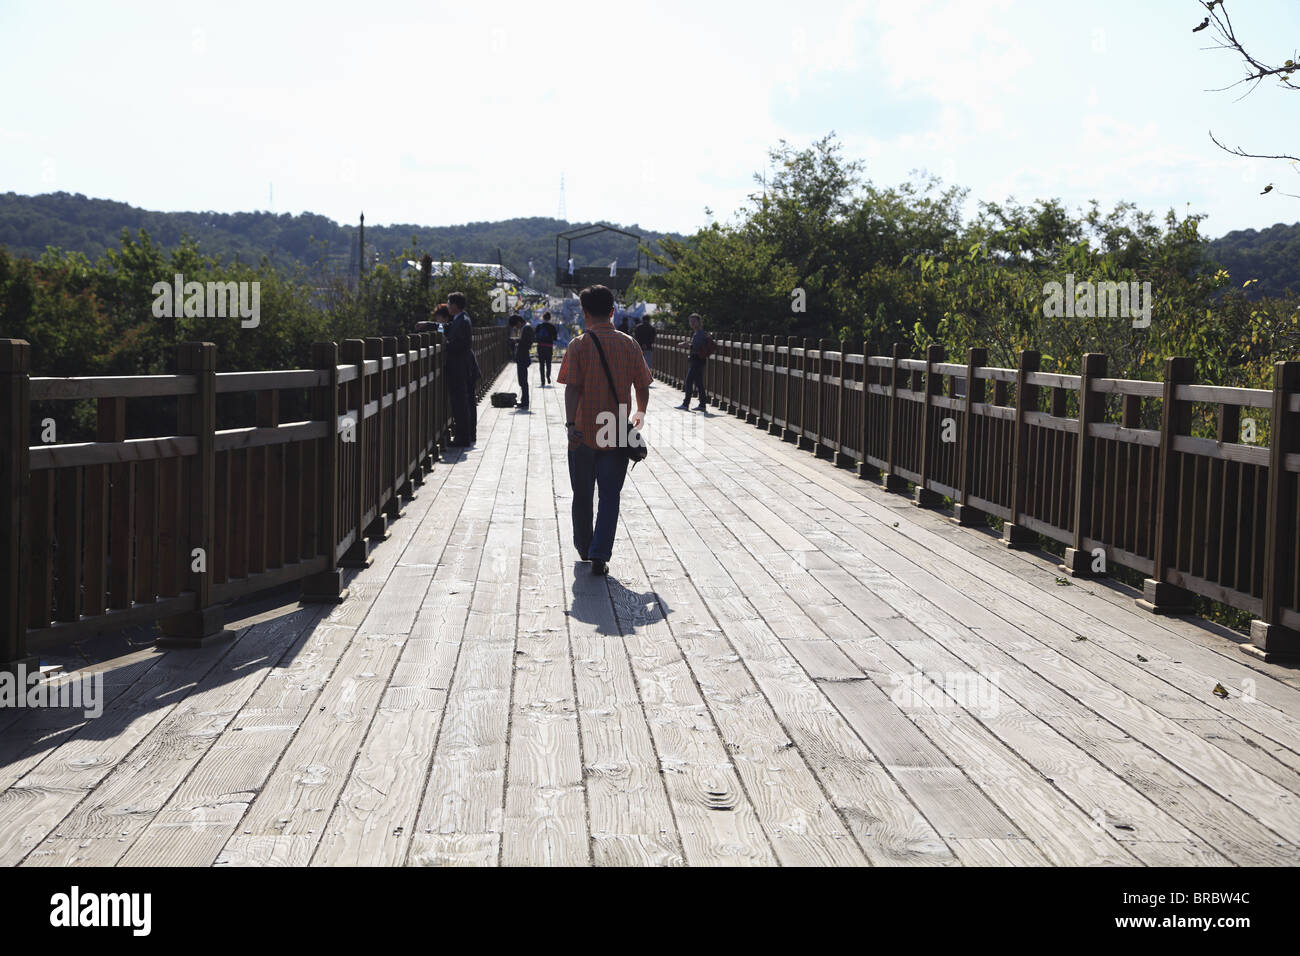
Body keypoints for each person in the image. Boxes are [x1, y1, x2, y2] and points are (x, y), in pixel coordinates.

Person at [557, 284, 651, 577]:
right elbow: (642, 384)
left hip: (583, 432)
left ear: (585, 313)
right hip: (615, 432)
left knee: (582, 494)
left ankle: (584, 547)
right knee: (610, 496)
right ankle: (600, 554)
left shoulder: (578, 345)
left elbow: (572, 389)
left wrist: (571, 424)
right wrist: (640, 411)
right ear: (613, 311)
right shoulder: (629, 344)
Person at [444, 291, 479, 446]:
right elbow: (446, 327)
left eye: (449, 303)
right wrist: (429, 325)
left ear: (455, 305)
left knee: (460, 404)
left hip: (459, 367)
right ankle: (469, 434)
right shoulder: (460, 319)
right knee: (466, 402)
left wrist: (446, 345)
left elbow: (462, 345)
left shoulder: (462, 321)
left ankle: (463, 437)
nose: (447, 306)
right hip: (463, 367)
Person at [678, 312, 708, 411]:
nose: (692, 323)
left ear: (699, 322)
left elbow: (696, 347)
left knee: (689, 381)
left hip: (697, 359)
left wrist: (686, 345)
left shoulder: (700, 333)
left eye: (694, 321)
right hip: (698, 359)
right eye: (691, 321)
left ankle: (686, 404)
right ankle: (702, 404)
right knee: (699, 383)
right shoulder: (697, 333)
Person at [508, 313, 534, 409]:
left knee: (523, 380)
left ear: (519, 322)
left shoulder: (526, 328)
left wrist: (516, 341)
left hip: (523, 357)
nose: (516, 328)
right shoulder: (525, 328)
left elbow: (527, 343)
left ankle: (525, 401)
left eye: (516, 325)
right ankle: (524, 400)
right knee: (522, 380)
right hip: (522, 356)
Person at [535, 311, 558, 385]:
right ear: (550, 318)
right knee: (548, 363)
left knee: (541, 364)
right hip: (549, 347)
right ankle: (548, 376)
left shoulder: (539, 326)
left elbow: (535, 337)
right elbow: (555, 338)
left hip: (540, 347)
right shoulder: (552, 327)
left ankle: (542, 380)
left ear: (543, 317)